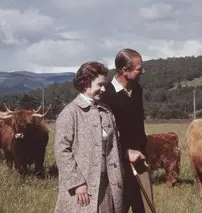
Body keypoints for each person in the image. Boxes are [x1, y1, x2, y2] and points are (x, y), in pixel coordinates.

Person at [54, 61, 124, 213]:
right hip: (82, 190)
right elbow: (62, 152)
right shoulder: (70, 113)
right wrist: (77, 183)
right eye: (100, 85)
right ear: (85, 83)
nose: (104, 89)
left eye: (104, 84)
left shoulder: (107, 111)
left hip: (107, 186)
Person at [102, 48, 154, 213]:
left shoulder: (137, 90)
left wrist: (143, 149)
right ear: (124, 70)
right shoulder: (106, 96)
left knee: (144, 207)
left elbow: (139, 124)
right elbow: (104, 136)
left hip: (139, 160)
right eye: (139, 69)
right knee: (119, 207)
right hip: (117, 165)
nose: (143, 72)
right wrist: (125, 152)